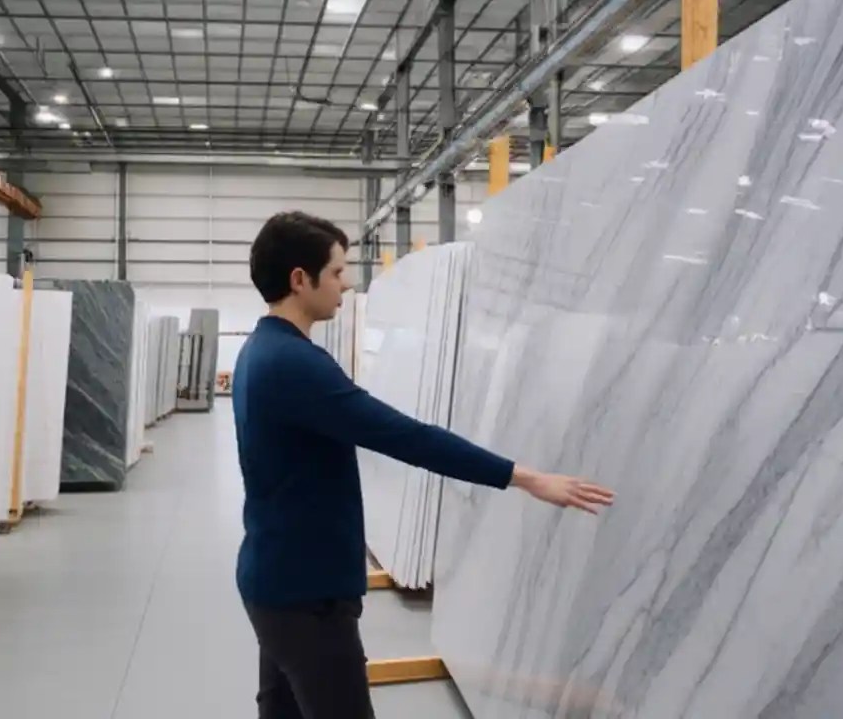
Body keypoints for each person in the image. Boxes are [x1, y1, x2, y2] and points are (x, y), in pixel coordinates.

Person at [232, 212, 614, 719]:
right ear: (300, 279)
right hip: (307, 595)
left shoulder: (261, 350)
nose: (348, 285)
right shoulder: (293, 365)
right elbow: (405, 436)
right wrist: (525, 476)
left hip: (277, 580)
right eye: (339, 272)